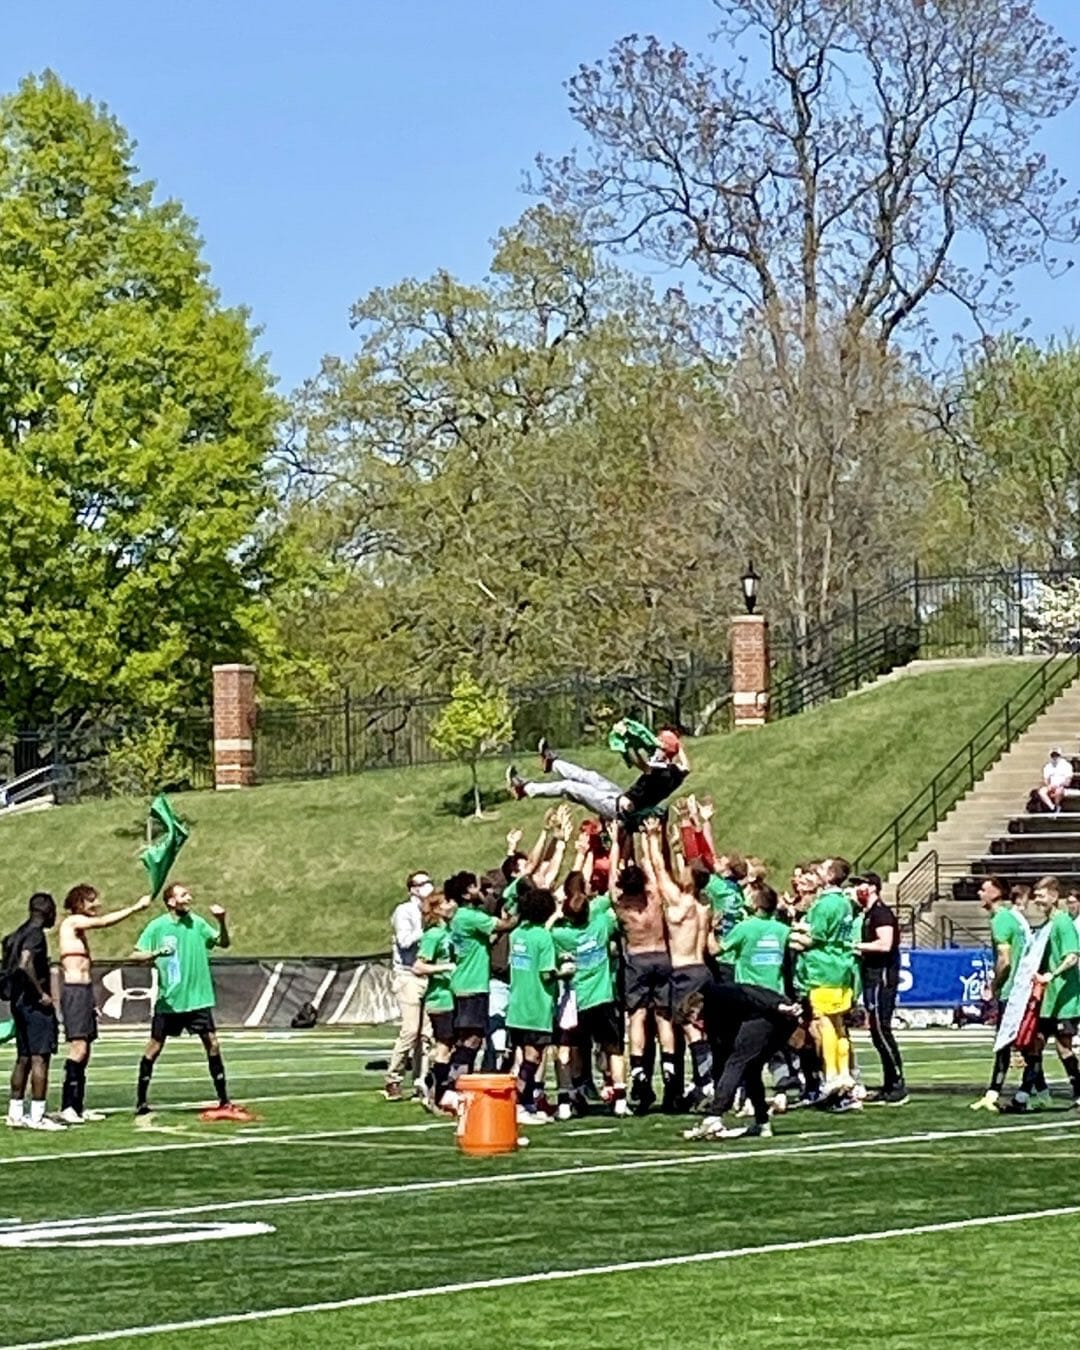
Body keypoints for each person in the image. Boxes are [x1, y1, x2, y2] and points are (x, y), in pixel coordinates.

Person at [132, 883, 247, 1122]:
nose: (189, 897)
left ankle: (224, 1099)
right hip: (170, 1001)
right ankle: (141, 1101)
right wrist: (155, 953)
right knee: (154, 1047)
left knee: (213, 1044)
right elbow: (135, 955)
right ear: (171, 901)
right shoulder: (157, 927)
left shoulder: (197, 923)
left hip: (198, 998)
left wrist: (222, 921)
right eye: (183, 894)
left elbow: (223, 943)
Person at [57, 884, 151, 1125]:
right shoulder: (72, 923)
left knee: (86, 1050)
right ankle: (67, 1106)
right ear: (79, 904)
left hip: (85, 992)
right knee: (78, 1048)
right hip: (75, 991)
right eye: (91, 901)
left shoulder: (80, 929)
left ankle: (78, 1106)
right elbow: (104, 922)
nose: (96, 905)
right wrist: (135, 908)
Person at [677, 978, 804, 1141]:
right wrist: (720, 1087)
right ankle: (762, 1123)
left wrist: (779, 1006)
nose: (695, 1024)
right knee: (752, 1068)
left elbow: (749, 994)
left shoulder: (714, 992)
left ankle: (714, 1117)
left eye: (692, 1018)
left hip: (773, 1012)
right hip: (778, 1018)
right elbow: (719, 1057)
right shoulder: (715, 1019)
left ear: (694, 1008)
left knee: (737, 1062)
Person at [1002, 876, 1080, 1113]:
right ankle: (1023, 1097)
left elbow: (1072, 956)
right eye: (1036, 896)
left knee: (1063, 1047)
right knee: (1034, 1045)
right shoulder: (1046, 925)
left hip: (1064, 998)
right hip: (1046, 999)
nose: (1037, 900)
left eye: (1041, 895)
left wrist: (1052, 975)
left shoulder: (1063, 923)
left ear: (1054, 897)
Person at [551, 873, 627, 1118]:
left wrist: (557, 915)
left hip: (576, 1000)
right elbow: (610, 899)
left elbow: (548, 929)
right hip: (603, 998)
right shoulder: (601, 924)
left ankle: (565, 1099)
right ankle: (621, 1100)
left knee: (567, 1048)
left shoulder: (561, 936)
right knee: (613, 1048)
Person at [506, 731, 689, 826]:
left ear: (663, 750)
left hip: (616, 810)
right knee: (590, 776)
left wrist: (627, 742)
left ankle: (524, 789)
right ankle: (552, 763)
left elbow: (637, 762)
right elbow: (687, 767)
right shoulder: (675, 772)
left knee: (569, 787)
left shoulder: (661, 772)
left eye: (657, 742)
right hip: (618, 796)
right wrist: (677, 746)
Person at [791, 858, 857, 1102]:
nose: (816, 873)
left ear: (830, 876)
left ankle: (831, 1075)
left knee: (825, 1023)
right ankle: (844, 1073)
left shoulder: (825, 904)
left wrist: (793, 934)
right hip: (842, 967)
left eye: (821, 869)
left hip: (823, 968)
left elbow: (815, 938)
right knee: (839, 1025)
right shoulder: (845, 903)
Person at [970, 875, 1032, 1111]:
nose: (979, 893)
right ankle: (1035, 1090)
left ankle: (994, 1092)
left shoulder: (1001, 920)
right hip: (1020, 987)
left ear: (996, 893)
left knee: (1005, 1042)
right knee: (1024, 1044)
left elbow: (1005, 961)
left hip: (1012, 990)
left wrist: (994, 986)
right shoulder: (1010, 917)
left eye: (983, 889)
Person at [3, 893, 63, 1131]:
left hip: (18, 1002)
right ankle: (37, 1115)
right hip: (33, 1004)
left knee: (24, 1057)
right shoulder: (36, 934)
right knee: (40, 1057)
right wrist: (42, 994)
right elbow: (25, 963)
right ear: (47, 911)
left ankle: (15, 1112)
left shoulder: (18, 933)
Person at [507, 886, 563, 1124]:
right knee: (533, 1057)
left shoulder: (517, 934)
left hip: (517, 1004)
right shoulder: (544, 938)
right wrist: (565, 973)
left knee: (521, 1055)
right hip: (536, 1005)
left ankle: (527, 1102)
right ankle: (519, 1103)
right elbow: (547, 974)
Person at [852, 873, 907, 1105]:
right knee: (875, 1030)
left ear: (873, 888)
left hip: (882, 976)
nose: (857, 889)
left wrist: (855, 947)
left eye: (861, 884)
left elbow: (885, 944)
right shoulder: (868, 914)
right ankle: (889, 1082)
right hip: (872, 976)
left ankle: (897, 1082)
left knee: (882, 1029)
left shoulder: (881, 913)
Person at [383, 870, 433, 1102]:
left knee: (427, 1034)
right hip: (408, 975)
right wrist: (426, 929)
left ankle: (421, 1080)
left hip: (428, 974)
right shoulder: (405, 911)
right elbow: (404, 941)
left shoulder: (430, 910)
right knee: (410, 1030)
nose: (428, 887)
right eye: (423, 884)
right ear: (412, 889)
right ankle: (393, 1078)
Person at [413, 889, 457, 1112]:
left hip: (452, 995)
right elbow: (418, 966)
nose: (453, 905)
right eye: (448, 902)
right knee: (444, 1046)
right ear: (438, 908)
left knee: (451, 1046)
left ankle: (435, 1086)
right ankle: (433, 1088)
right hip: (440, 998)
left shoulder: (449, 931)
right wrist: (445, 968)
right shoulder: (433, 935)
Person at [1037, 748, 1073, 814]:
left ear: (1060, 755)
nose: (1055, 757)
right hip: (1051, 785)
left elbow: (1068, 781)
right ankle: (1052, 807)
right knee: (1042, 791)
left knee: (1058, 791)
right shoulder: (1047, 766)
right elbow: (1046, 779)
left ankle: (1057, 807)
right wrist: (1048, 785)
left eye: (1056, 755)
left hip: (1062, 786)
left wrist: (1059, 785)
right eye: (1053, 755)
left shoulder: (1066, 765)